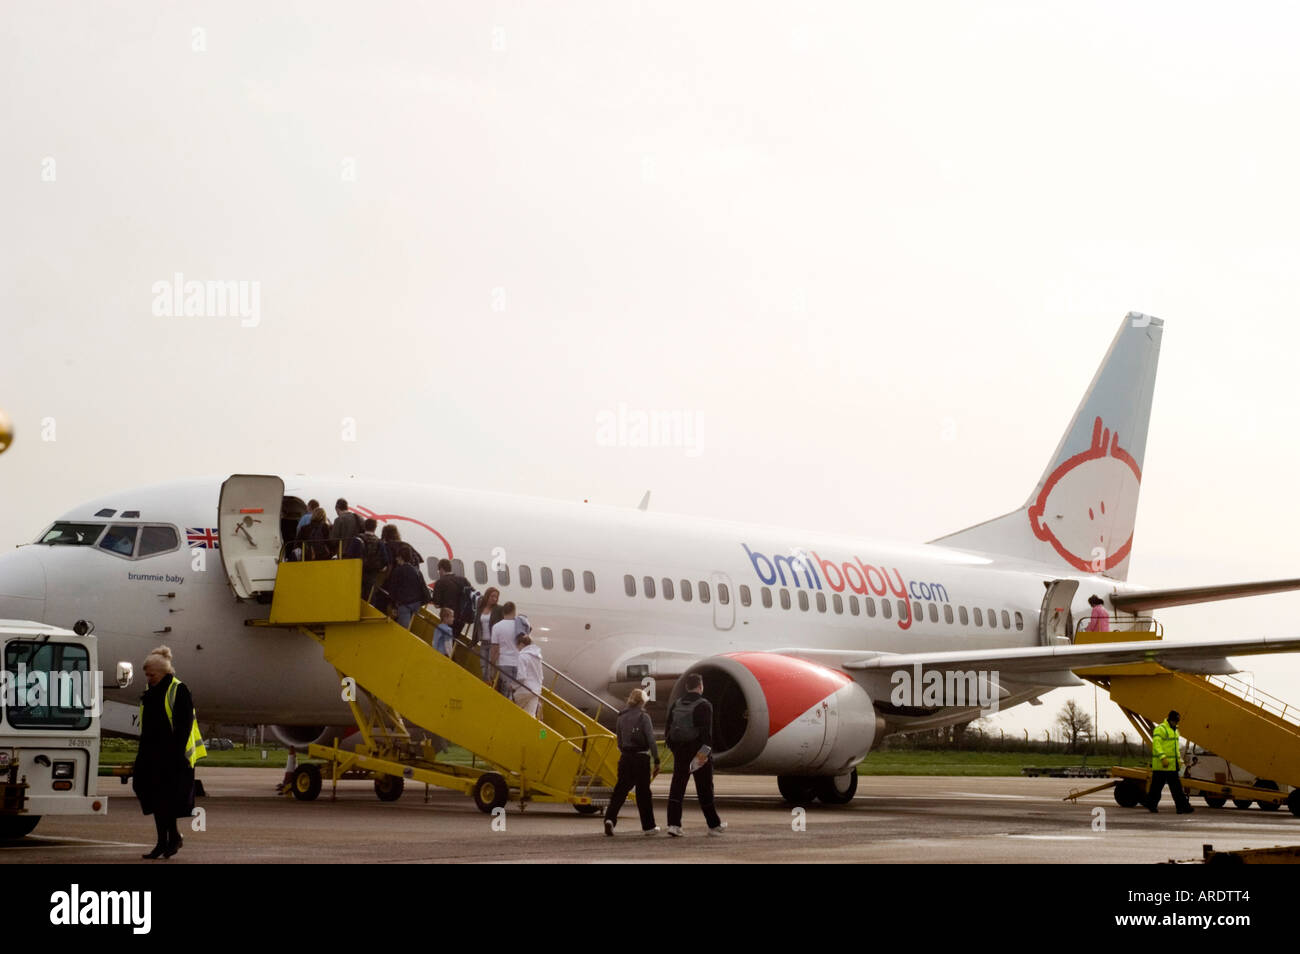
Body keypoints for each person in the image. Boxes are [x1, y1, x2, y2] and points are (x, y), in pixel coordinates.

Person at [133, 646, 206, 859]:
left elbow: (184, 726)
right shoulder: (150, 692)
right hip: (151, 753)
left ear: (163, 672)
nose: (148, 678)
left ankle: (166, 841)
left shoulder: (178, 690)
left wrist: (174, 756)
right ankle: (170, 838)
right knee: (153, 797)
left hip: (173, 755)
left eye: (151, 674)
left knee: (166, 800)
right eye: (146, 675)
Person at [664, 673, 725, 836]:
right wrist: (703, 756)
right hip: (699, 752)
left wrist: (676, 750)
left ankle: (673, 825)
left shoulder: (677, 704)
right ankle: (714, 825)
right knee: (704, 789)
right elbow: (707, 735)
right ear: (700, 686)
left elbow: (668, 730)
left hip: (681, 752)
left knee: (677, 788)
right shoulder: (704, 705)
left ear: (686, 687)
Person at [603, 688, 661, 836]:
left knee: (620, 791)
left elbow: (619, 741)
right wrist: (656, 759)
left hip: (626, 758)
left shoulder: (621, 716)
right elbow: (651, 740)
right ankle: (648, 826)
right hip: (641, 757)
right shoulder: (644, 717)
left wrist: (625, 751)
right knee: (643, 794)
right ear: (642, 702)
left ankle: (609, 819)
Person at [1146, 710, 1194, 814]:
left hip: (1171, 766)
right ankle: (1151, 805)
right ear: (1170, 719)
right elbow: (1156, 745)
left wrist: (1179, 760)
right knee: (1156, 788)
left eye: (1177, 721)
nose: (1176, 723)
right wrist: (1163, 757)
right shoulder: (1160, 729)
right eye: (1175, 721)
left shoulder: (1175, 731)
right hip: (1161, 765)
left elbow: (1175, 748)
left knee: (1176, 788)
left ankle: (1182, 807)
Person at [386, 545, 429, 628]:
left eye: (397, 557)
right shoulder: (417, 571)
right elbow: (423, 587)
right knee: (407, 624)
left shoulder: (399, 570)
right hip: (416, 604)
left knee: (402, 629)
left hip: (405, 605)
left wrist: (393, 606)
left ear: (401, 557)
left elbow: (393, 589)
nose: (396, 559)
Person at [431, 558, 472, 630]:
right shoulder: (463, 580)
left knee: (445, 639)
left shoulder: (440, 582)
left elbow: (436, 605)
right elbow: (472, 595)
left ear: (441, 569)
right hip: (461, 620)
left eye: (439, 571)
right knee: (452, 639)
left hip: (447, 618)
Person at [490, 602, 520, 695]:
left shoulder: (497, 627)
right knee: (516, 689)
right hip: (518, 661)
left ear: (503, 612)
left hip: (503, 662)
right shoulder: (519, 626)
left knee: (505, 689)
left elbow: (495, 648)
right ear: (514, 612)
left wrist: (492, 663)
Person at [474, 587, 503, 683]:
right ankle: (487, 684)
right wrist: (473, 642)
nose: (494, 599)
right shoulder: (480, 609)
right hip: (483, 642)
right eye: (492, 596)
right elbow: (476, 626)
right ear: (487, 596)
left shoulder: (498, 610)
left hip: (493, 642)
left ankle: (490, 684)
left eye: (496, 597)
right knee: (483, 666)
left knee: (490, 668)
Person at [513, 630, 543, 717]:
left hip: (524, 690)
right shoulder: (537, 657)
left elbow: (520, 677)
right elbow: (541, 676)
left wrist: (513, 686)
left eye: (517, 646)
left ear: (521, 644)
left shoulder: (522, 656)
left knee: (515, 713)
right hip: (536, 690)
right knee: (531, 717)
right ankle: (542, 731)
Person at [358, 518, 388, 604]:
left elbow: (351, 554)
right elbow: (385, 559)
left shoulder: (358, 539)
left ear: (364, 526)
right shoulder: (379, 542)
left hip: (358, 570)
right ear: (375, 528)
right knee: (370, 594)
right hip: (372, 573)